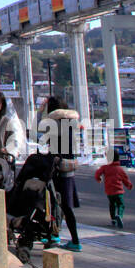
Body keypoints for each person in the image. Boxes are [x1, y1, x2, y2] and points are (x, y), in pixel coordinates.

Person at [40, 96, 81, 251]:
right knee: (64, 206)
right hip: (67, 169)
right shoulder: (68, 124)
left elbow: (42, 135)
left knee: (57, 205)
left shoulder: (55, 124)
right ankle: (65, 237)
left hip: (58, 169)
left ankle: (64, 238)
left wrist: (41, 113)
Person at [95, 150, 134, 227]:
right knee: (120, 204)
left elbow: (97, 173)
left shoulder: (105, 168)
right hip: (118, 191)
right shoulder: (119, 169)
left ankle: (113, 219)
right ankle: (119, 215)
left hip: (109, 191)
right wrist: (129, 185)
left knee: (112, 204)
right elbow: (125, 179)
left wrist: (98, 179)